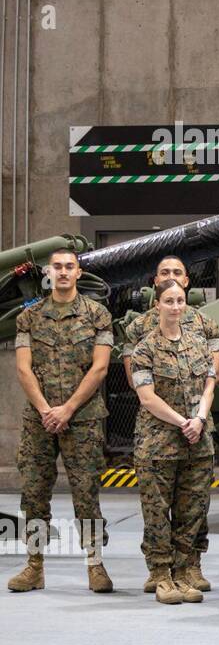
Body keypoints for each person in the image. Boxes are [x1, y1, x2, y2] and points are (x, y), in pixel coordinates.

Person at [8, 248, 114, 594]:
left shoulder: (98, 315)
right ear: (48, 273)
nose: (64, 272)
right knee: (34, 493)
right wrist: (45, 410)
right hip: (39, 419)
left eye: (70, 266)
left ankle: (95, 563)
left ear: (79, 273)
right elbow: (23, 369)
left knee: (87, 492)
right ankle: (34, 565)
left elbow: (100, 368)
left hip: (83, 418)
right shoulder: (29, 318)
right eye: (58, 267)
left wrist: (67, 409)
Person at [121, 254, 219, 592]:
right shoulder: (143, 343)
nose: (176, 306)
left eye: (180, 299)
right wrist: (185, 421)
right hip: (158, 440)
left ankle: (184, 570)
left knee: (192, 509)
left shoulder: (199, 338)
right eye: (169, 300)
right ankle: (161, 574)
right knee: (156, 511)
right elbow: (144, 394)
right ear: (157, 299)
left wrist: (200, 419)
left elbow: (211, 380)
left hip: (196, 438)